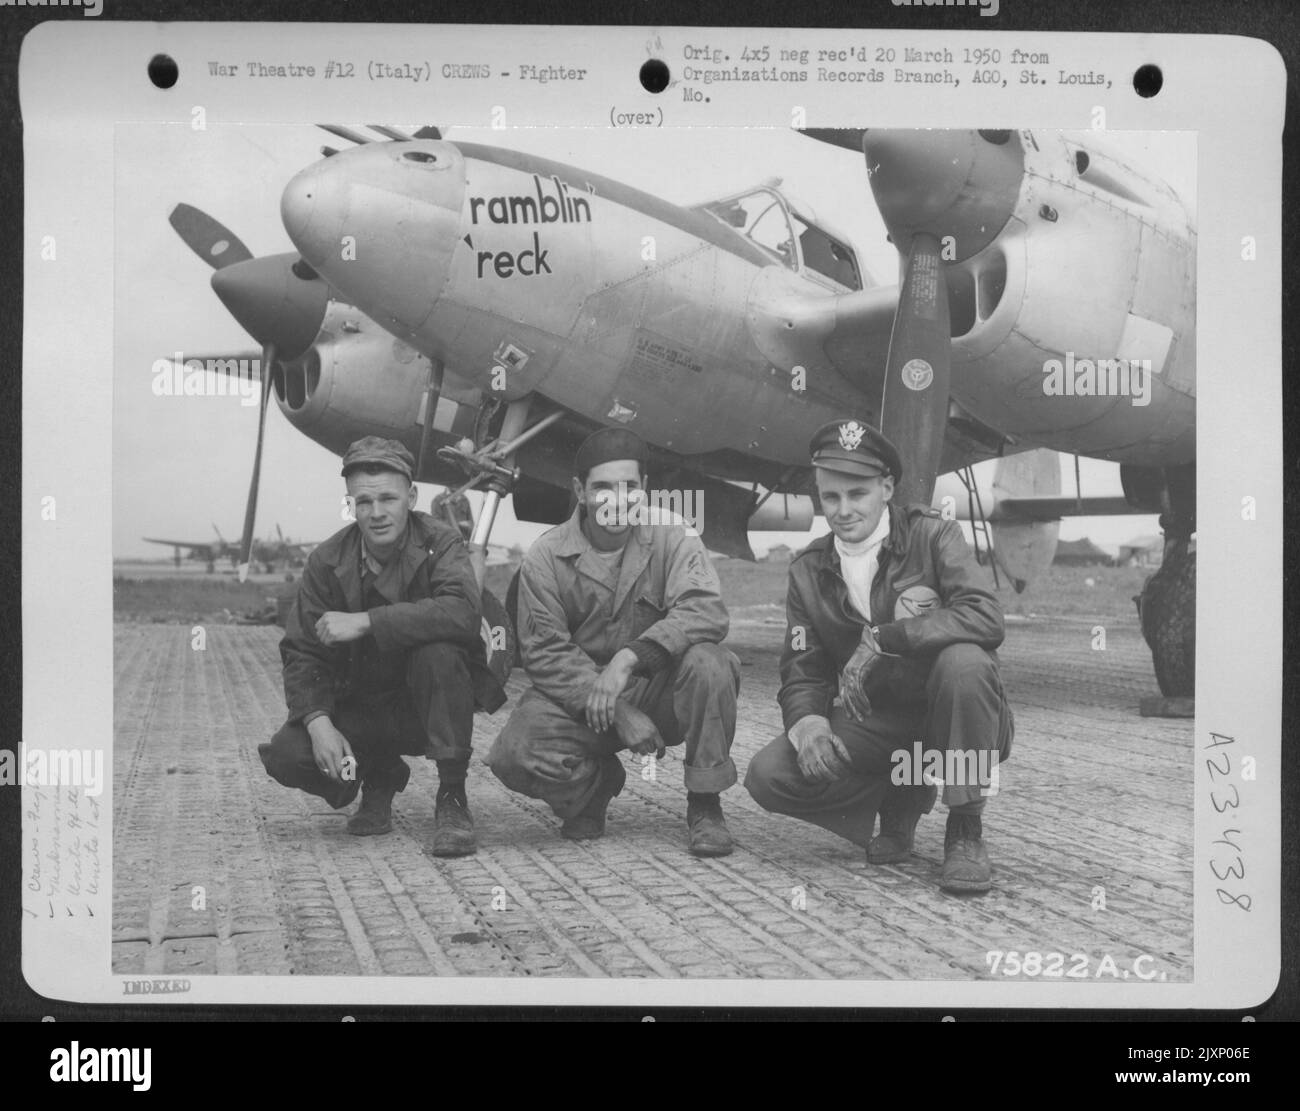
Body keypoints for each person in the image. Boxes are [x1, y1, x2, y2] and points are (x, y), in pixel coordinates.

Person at [744, 420, 1013, 893]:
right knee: (769, 775)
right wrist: (808, 725)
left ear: (887, 488)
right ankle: (900, 796)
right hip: (877, 723)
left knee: (965, 663)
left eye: (858, 494)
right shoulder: (808, 570)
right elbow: (802, 669)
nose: (844, 510)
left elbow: (985, 616)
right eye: (831, 498)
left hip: (950, 715)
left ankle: (965, 826)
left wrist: (889, 637)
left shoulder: (934, 536)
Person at [488, 427, 741, 856]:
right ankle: (594, 788)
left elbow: (706, 611)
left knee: (711, 662)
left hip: (659, 688)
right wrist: (617, 709)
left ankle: (705, 802)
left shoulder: (673, 534)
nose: (616, 499)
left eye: (628, 487)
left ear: (643, 490)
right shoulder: (545, 557)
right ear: (580, 492)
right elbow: (545, 653)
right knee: (512, 754)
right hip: (585, 699)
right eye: (602, 487)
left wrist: (630, 658)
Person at [259, 436, 505, 856]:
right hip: (361, 704)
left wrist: (367, 621)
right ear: (350, 504)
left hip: (424, 704)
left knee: (439, 652)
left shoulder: (440, 542)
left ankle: (452, 796)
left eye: (388, 499)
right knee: (288, 754)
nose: (375, 513)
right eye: (363, 502)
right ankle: (379, 774)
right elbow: (302, 651)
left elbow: (463, 613)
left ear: (410, 497)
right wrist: (318, 723)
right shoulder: (327, 560)